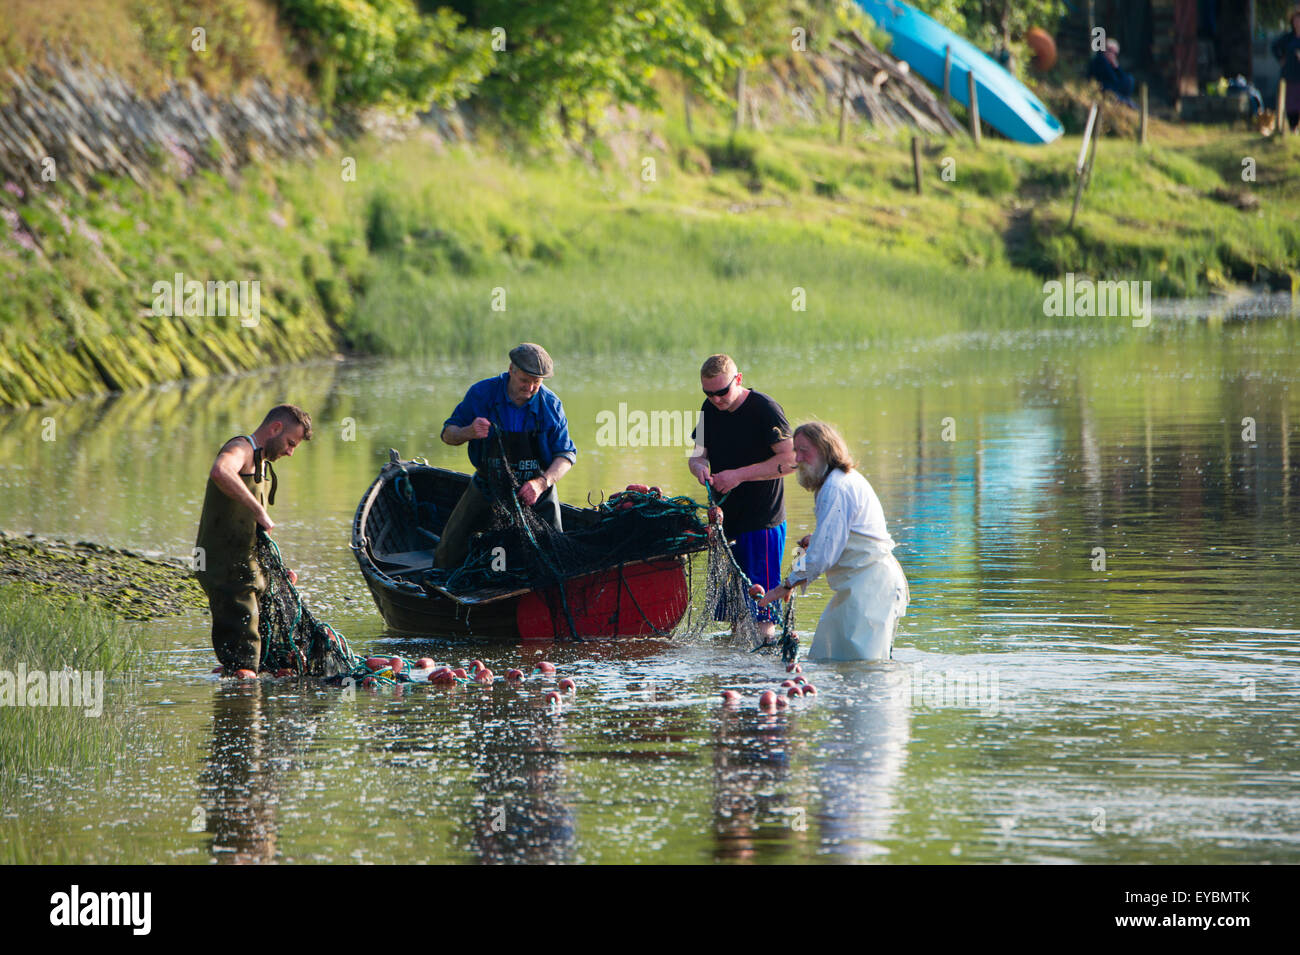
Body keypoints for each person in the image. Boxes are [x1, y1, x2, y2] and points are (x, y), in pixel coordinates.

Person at [759, 422, 908, 662]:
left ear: (825, 448)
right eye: (796, 451)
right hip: (862, 587)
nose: (798, 458)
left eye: (804, 450)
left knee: (861, 667)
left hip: (871, 590)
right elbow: (839, 536)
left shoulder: (836, 487)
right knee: (829, 655)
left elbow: (824, 553)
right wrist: (815, 539)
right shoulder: (837, 482)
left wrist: (787, 584)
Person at [435, 343, 576, 569]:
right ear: (511, 370)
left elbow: (566, 456)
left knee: (556, 558)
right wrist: (467, 431)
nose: (530, 388)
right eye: (524, 380)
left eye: (536, 383)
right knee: (447, 554)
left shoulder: (551, 405)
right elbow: (447, 435)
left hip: (537, 494)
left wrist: (541, 484)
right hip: (488, 487)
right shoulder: (481, 394)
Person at [195, 404, 312, 672]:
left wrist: (277, 572)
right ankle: (243, 703)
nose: (290, 452)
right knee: (245, 663)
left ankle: (236, 691)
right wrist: (259, 510)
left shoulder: (260, 461)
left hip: (246, 568)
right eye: (290, 443)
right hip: (227, 569)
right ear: (275, 428)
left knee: (257, 659)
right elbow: (221, 471)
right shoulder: (242, 449)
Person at [688, 354, 795, 644]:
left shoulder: (765, 409)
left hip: (762, 521)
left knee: (762, 611)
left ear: (738, 379)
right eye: (708, 393)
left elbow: (791, 459)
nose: (716, 400)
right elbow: (698, 454)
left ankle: (762, 664)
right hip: (725, 522)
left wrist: (739, 475)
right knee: (736, 612)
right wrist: (699, 467)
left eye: (722, 392)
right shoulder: (708, 409)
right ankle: (735, 675)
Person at [1272, 8, 1300, 131]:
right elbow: (1274, 46)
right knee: (1291, 104)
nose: (1298, 23)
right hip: (1290, 76)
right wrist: (1280, 59)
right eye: (1296, 20)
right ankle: (1292, 128)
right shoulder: (1288, 38)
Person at [1088, 38, 1137, 108]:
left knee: (1129, 78)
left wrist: (1117, 67)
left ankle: (1125, 100)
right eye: (1111, 52)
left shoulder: (1109, 62)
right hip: (1103, 88)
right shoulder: (1100, 60)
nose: (1113, 55)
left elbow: (1122, 78)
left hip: (1112, 88)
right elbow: (1113, 79)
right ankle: (1125, 101)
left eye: (1115, 53)